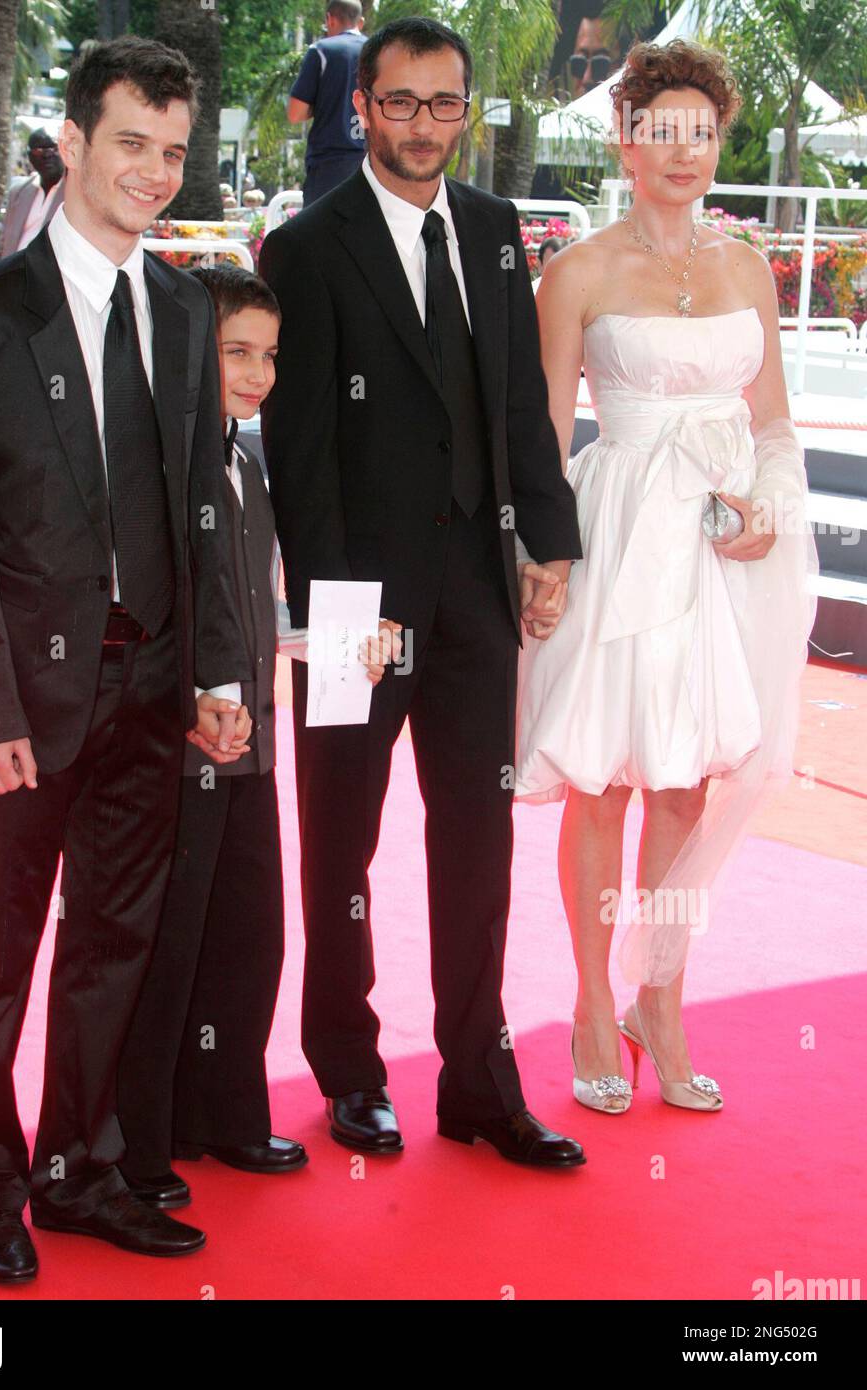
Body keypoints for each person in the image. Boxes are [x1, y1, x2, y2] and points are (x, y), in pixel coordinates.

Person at [0, 34, 252, 1285]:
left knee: (117, 943)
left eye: (173, 150)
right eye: (130, 143)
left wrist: (216, 678)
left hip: (152, 689)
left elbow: (203, 514)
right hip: (26, 697)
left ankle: (77, 1170)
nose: (155, 172)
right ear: (71, 143)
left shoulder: (183, 309)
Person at [261, 17, 586, 1169]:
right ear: (363, 111)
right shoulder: (305, 248)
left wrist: (546, 546)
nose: (420, 126)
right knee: (339, 843)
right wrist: (341, 606)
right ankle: (348, 1072)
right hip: (357, 607)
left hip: (475, 603)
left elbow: (515, 414)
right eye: (397, 104)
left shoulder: (498, 234)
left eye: (441, 105)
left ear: (464, 112)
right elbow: (297, 458)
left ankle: (476, 1081)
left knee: (476, 840)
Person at [516, 40, 817, 1113]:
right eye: (661, 129)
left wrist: (766, 505)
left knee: (687, 787)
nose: (682, 151)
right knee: (599, 783)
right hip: (615, 539)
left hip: (719, 547)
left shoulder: (744, 266)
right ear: (625, 139)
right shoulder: (579, 270)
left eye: (701, 132)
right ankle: (592, 1004)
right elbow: (546, 432)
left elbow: (771, 420)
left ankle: (662, 997)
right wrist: (536, 551)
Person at [117, 264, 392, 1203]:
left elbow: (257, 608)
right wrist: (198, 699)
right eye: (238, 351)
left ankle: (226, 1116)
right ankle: (140, 1147)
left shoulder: (245, 464)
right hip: (185, 749)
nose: (259, 372)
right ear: (189, 350)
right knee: (168, 947)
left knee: (249, 938)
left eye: (270, 356)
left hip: (253, 747)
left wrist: (339, 641)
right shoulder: (163, 466)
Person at [288, 1, 367, 206]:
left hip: (328, 165)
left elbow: (295, 113)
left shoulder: (321, 50)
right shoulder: (380, 53)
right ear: (361, 22)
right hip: (373, 166)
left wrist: (324, 104)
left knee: (319, 235)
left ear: (330, 19)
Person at [0, 127, 66, 260]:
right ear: (30, 156)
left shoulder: (77, 194)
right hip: (13, 274)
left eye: (53, 148)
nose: (47, 155)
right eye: (39, 150)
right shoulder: (18, 192)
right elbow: (3, 245)